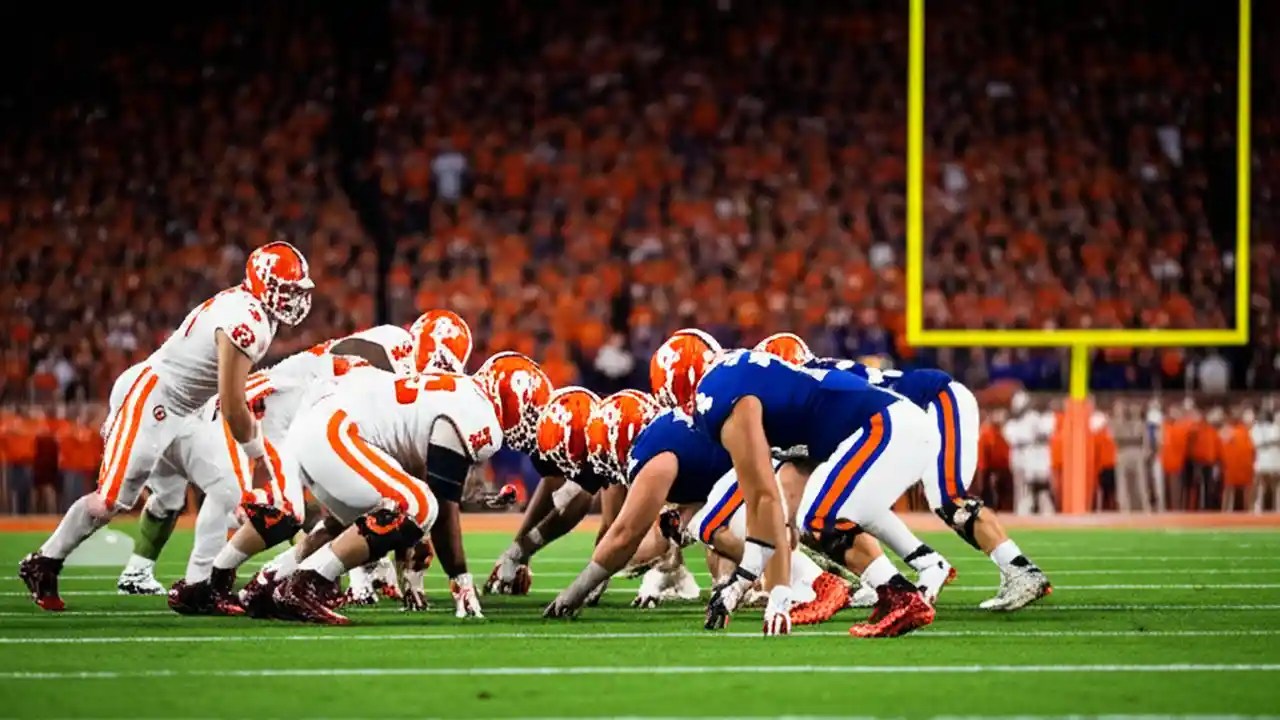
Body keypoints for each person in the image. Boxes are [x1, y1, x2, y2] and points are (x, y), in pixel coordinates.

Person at [19, 242, 314, 612]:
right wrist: (260, 457)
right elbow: (234, 404)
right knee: (110, 500)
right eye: (287, 289)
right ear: (262, 282)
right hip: (156, 398)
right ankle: (44, 561)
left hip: (192, 407)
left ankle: (200, 586)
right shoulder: (246, 321)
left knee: (227, 491)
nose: (295, 299)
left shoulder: (256, 312)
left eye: (298, 290)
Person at [694, 348, 938, 637]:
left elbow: (763, 499)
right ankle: (897, 591)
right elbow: (776, 520)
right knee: (815, 516)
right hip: (897, 424)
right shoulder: (791, 408)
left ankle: (903, 595)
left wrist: (779, 597)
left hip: (887, 426)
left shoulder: (720, 395)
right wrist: (740, 583)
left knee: (822, 516)